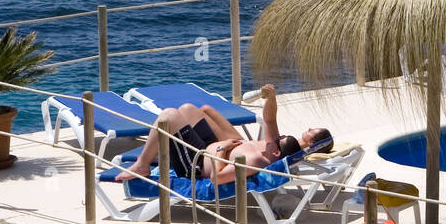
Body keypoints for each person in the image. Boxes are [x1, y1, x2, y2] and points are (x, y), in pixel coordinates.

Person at [115, 84, 331, 183]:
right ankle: (155, 152)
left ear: (275, 153)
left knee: (168, 116)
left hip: (195, 164)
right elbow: (270, 119)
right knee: (189, 109)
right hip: (207, 149)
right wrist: (271, 97)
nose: (275, 138)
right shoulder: (272, 149)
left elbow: (217, 179)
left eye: (278, 140)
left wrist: (222, 149)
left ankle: (143, 165)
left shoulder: (254, 159)